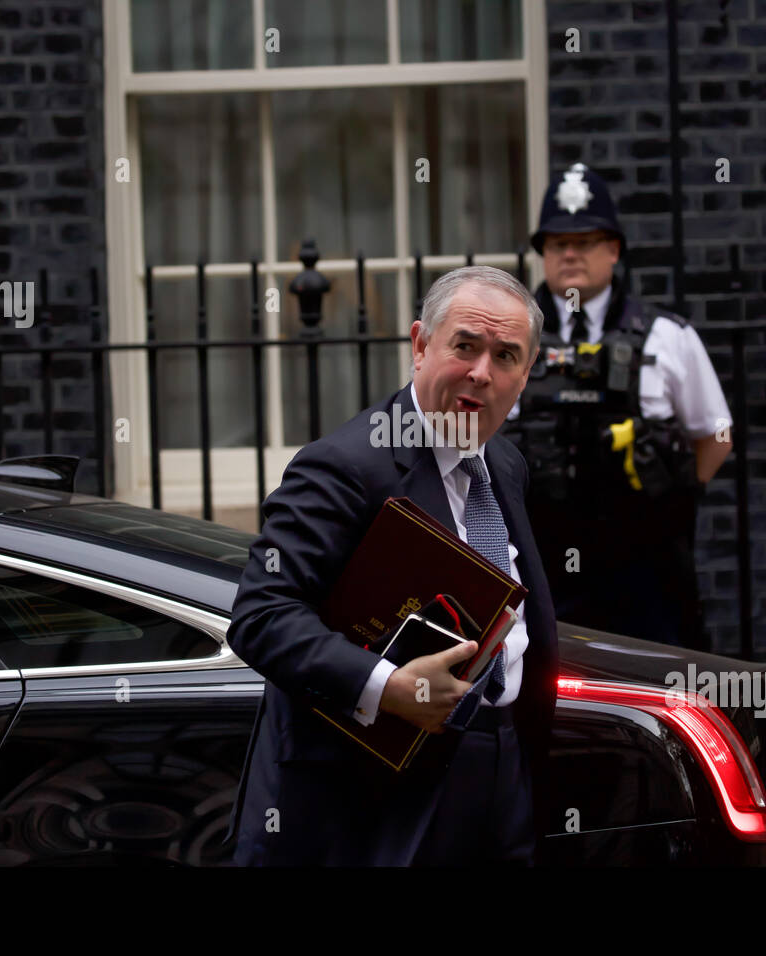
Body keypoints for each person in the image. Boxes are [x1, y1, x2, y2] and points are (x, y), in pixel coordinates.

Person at [227, 265, 558, 866]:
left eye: (506, 356)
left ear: (526, 374)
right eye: (464, 346)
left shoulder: (505, 464)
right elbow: (262, 615)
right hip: (374, 801)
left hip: (500, 775)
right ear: (420, 345)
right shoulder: (343, 466)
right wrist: (387, 688)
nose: (482, 373)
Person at [502, 163, 732, 650]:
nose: (570, 253)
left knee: (662, 690)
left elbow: (716, 435)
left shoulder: (667, 336)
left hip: (644, 565)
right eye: (558, 243)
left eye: (585, 241)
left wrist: (674, 498)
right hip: (539, 563)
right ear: (542, 252)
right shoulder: (508, 339)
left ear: (614, 249)